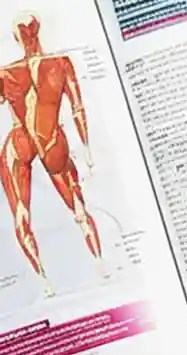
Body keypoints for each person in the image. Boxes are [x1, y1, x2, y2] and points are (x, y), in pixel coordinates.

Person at [0, 12, 102, 298]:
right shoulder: (60, 63)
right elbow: (78, 109)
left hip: (20, 139)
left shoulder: (6, 73)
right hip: (51, 136)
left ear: (16, 37)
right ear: (39, 30)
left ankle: (45, 283)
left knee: (22, 216)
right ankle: (100, 263)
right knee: (79, 209)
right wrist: (88, 152)